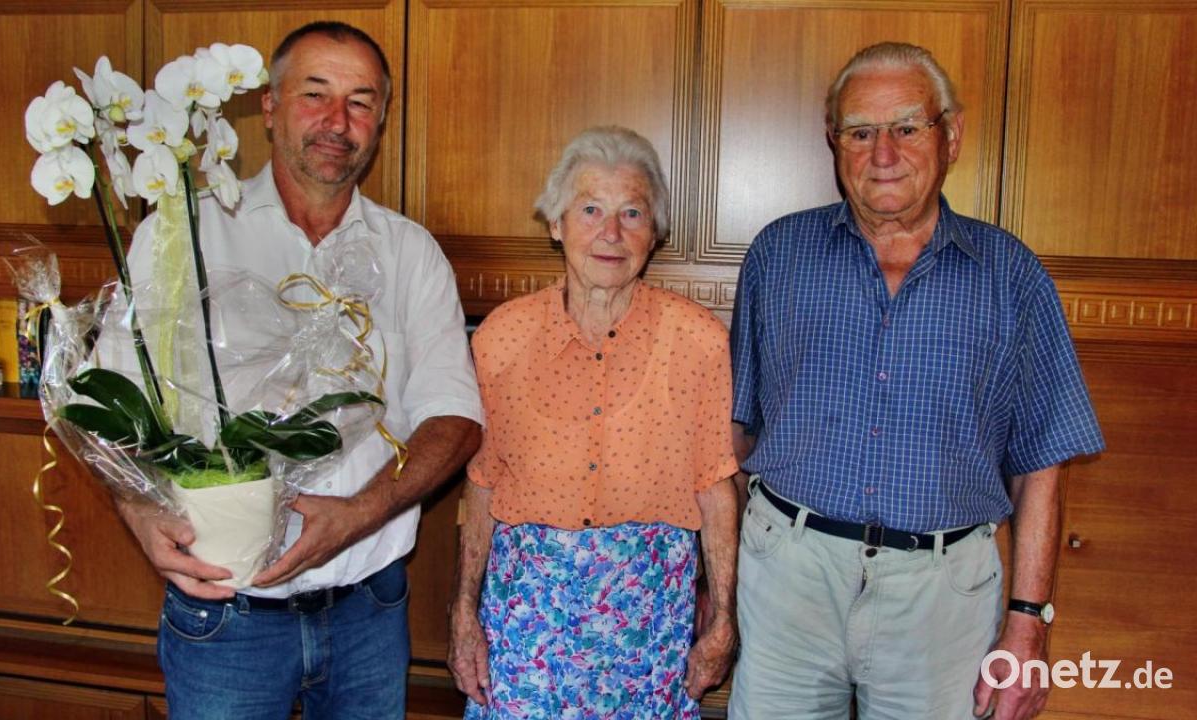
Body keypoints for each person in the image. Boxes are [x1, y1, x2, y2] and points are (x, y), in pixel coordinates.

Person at [112, 21, 483, 720]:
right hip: (224, 615)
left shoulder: (410, 255)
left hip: (369, 609)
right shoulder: (179, 233)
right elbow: (119, 403)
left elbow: (456, 419)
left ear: (380, 123)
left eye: (361, 101)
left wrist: (357, 516)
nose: (338, 122)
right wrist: (137, 509)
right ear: (270, 106)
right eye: (316, 94)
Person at [728, 42, 1104, 720]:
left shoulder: (1012, 276)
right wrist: (717, 584)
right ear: (833, 143)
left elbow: (1042, 463)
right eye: (860, 131)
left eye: (906, 126)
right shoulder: (776, 256)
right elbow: (729, 433)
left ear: (950, 134)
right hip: (787, 575)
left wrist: (1027, 623)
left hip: (944, 595)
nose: (883, 153)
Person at [447, 126, 740, 719]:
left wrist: (724, 621)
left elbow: (716, 486)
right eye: (590, 210)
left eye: (632, 212)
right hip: (526, 621)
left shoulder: (698, 340)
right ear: (555, 223)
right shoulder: (502, 336)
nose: (611, 233)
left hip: (647, 622)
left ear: (654, 233)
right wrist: (463, 612)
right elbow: (482, 482)